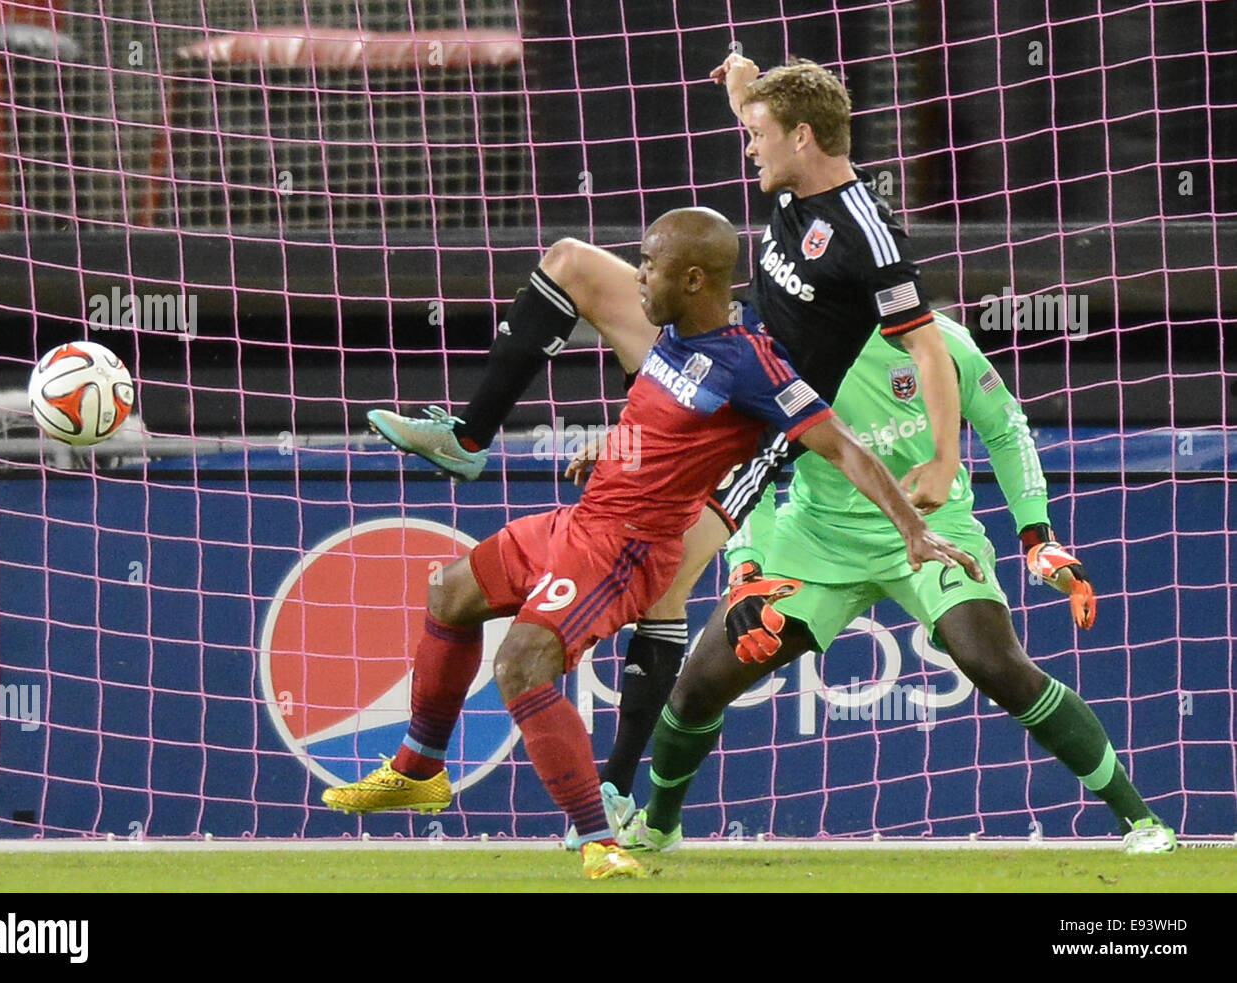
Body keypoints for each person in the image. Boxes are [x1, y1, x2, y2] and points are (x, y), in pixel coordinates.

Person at [367, 55, 966, 831]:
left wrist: (945, 458)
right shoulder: (792, 170)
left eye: (757, 135)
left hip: (753, 411)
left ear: (804, 137)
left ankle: (617, 785)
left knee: (668, 576)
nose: (748, 146)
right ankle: (467, 436)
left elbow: (927, 348)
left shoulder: (870, 240)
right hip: (707, 346)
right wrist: (741, 87)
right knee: (571, 263)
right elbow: (769, 114)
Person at [608, 313, 1176, 855]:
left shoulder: (941, 344)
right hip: (816, 540)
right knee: (699, 686)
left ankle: (1139, 818)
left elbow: (1005, 429)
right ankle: (660, 824)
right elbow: (744, 461)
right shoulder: (784, 351)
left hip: (933, 529)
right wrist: (746, 567)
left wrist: (1036, 535)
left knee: (994, 663)